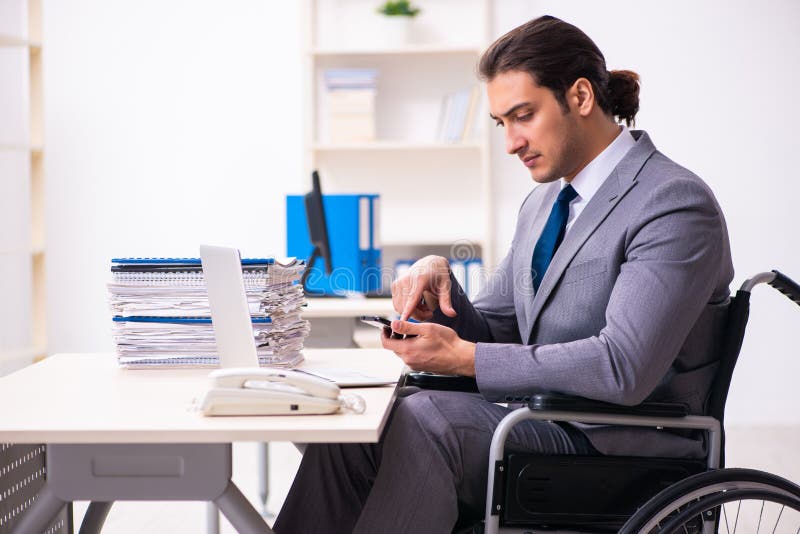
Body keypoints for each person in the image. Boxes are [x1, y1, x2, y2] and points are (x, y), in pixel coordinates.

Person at [274, 15, 733, 534]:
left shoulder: (671, 203)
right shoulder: (543, 203)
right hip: (540, 424)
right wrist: (443, 304)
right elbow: (497, 329)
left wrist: (465, 357)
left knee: (428, 420)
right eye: (502, 124)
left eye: (524, 116)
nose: (512, 142)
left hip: (620, 450)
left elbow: (622, 368)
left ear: (580, 96)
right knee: (363, 427)